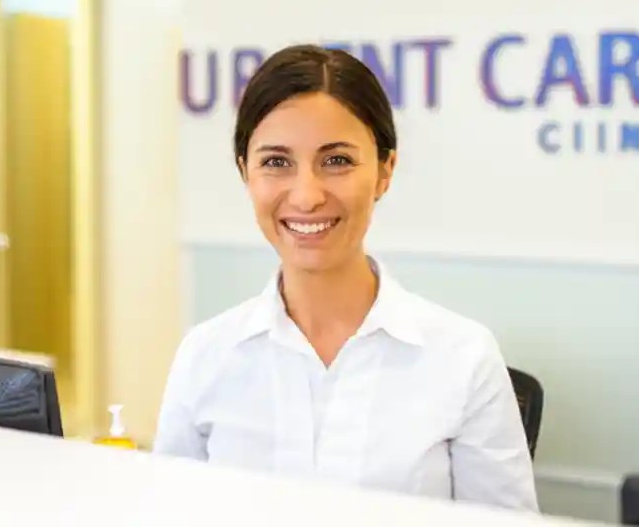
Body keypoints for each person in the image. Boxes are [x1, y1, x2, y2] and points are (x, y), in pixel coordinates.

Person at [153, 44, 538, 511]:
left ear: (384, 170)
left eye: (336, 161)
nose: (307, 195)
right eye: (276, 162)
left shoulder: (463, 358)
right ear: (245, 172)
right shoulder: (205, 356)